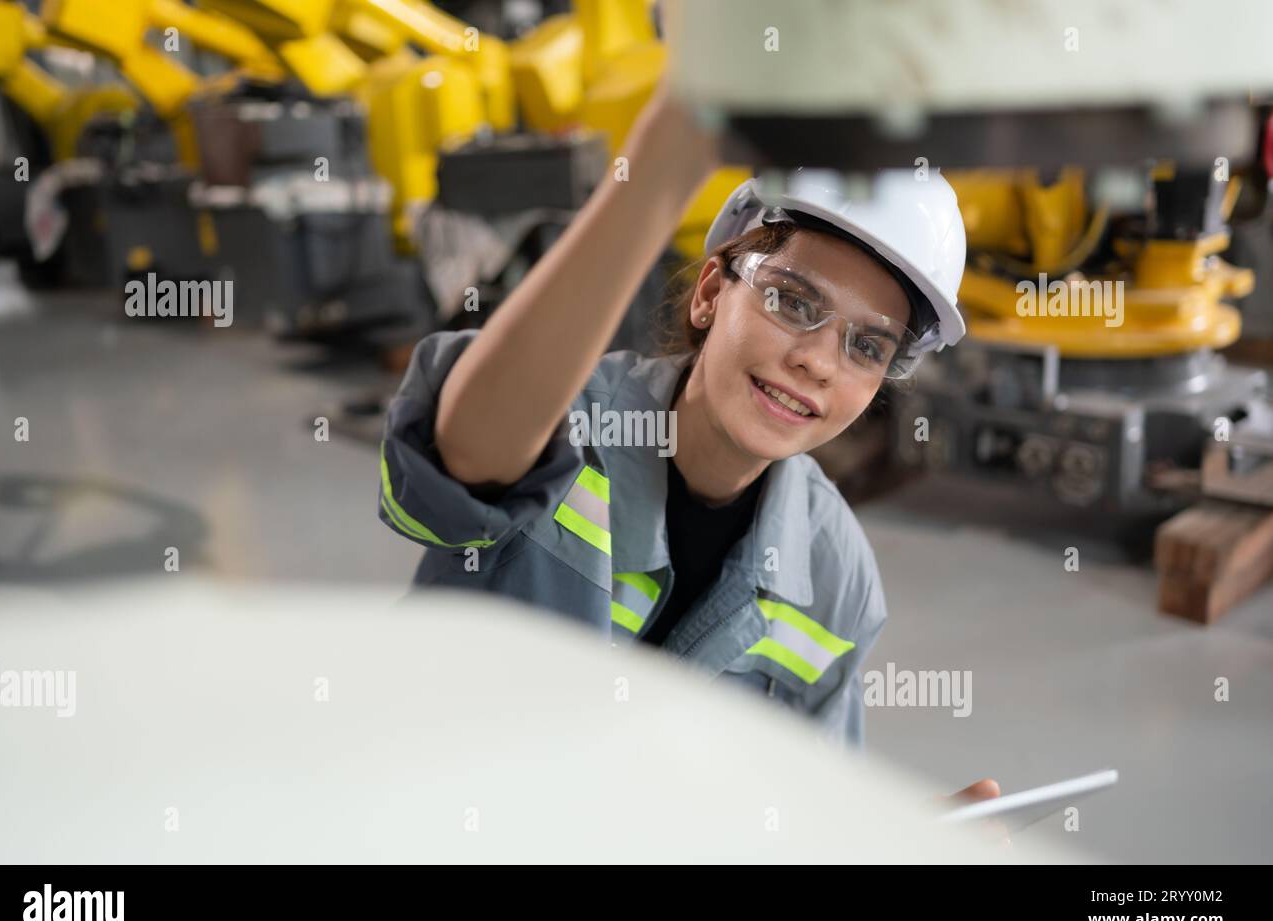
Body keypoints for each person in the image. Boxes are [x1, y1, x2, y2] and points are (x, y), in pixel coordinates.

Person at [377, 82, 999, 805]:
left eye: (866, 346)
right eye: (793, 301)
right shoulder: (562, 415)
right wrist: (661, 167)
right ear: (710, 292)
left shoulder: (835, 582)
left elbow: (794, 820)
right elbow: (460, 465)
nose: (819, 362)